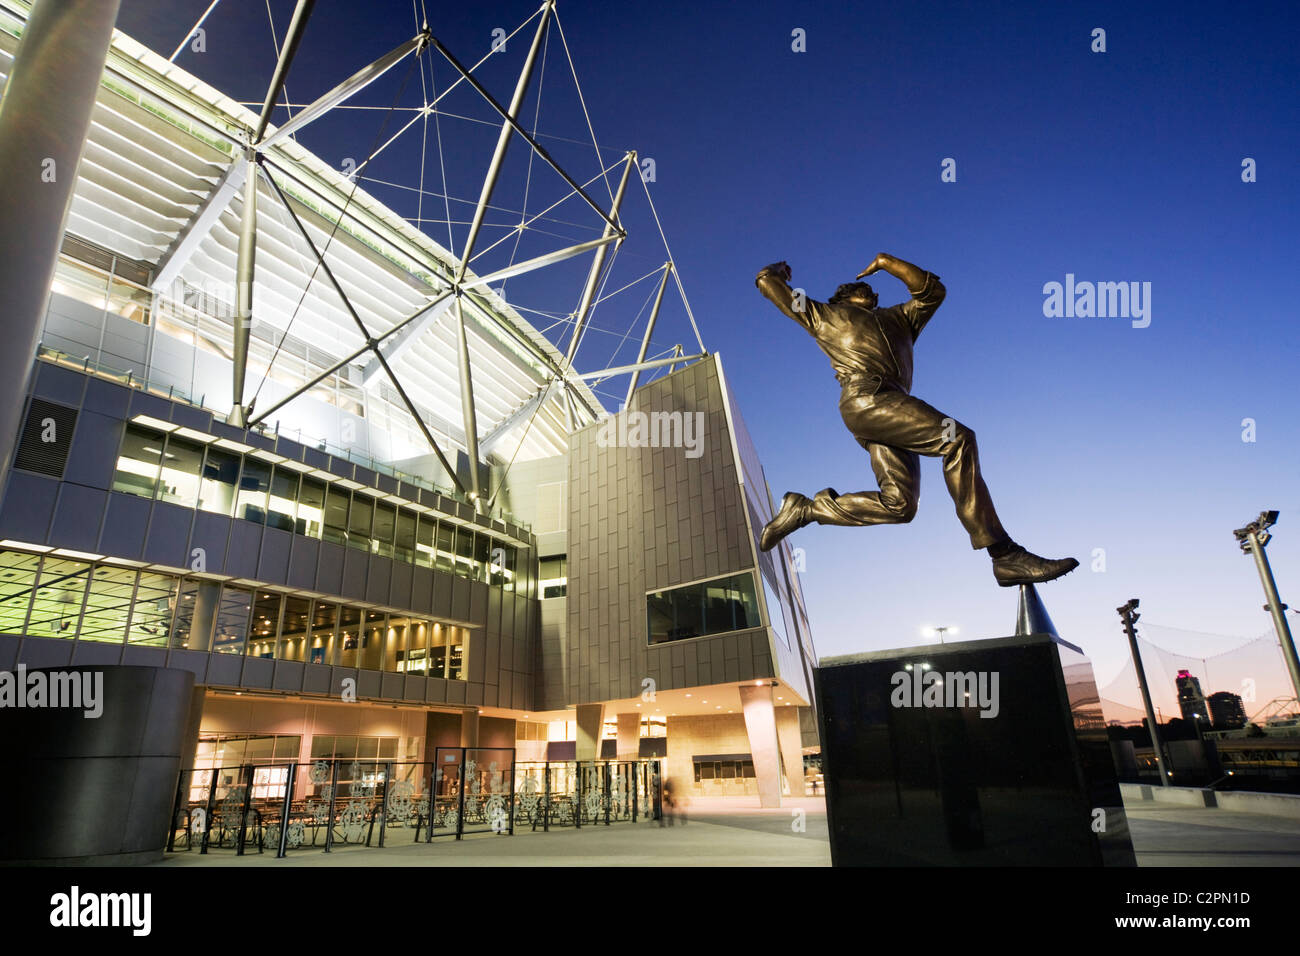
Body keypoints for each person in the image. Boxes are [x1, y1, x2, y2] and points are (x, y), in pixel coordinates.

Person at [754, 253, 1078, 586]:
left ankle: (805, 510)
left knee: (900, 505)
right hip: (866, 400)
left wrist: (887, 263)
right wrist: (779, 271)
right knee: (957, 438)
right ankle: (1004, 554)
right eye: (859, 289)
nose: (869, 291)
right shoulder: (824, 315)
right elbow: (767, 282)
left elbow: (932, 292)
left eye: (872, 290)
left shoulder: (901, 318)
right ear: (843, 296)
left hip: (890, 408)